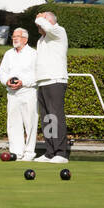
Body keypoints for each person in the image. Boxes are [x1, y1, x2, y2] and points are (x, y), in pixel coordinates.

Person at [34, 10, 71, 162]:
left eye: (41, 22)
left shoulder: (59, 31)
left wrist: (41, 18)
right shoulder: (41, 39)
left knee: (56, 116)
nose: (38, 25)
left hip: (56, 80)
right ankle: (50, 152)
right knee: (47, 118)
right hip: (42, 81)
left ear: (49, 21)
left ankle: (61, 153)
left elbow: (48, 27)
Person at [0, 27, 38, 161]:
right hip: (12, 94)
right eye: (13, 36)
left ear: (25, 39)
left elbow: (38, 74)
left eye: (18, 36)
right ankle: (16, 152)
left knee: (30, 123)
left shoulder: (33, 54)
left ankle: (29, 153)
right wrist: (7, 81)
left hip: (28, 92)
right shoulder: (8, 54)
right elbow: (2, 73)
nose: (14, 39)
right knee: (13, 123)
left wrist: (23, 82)